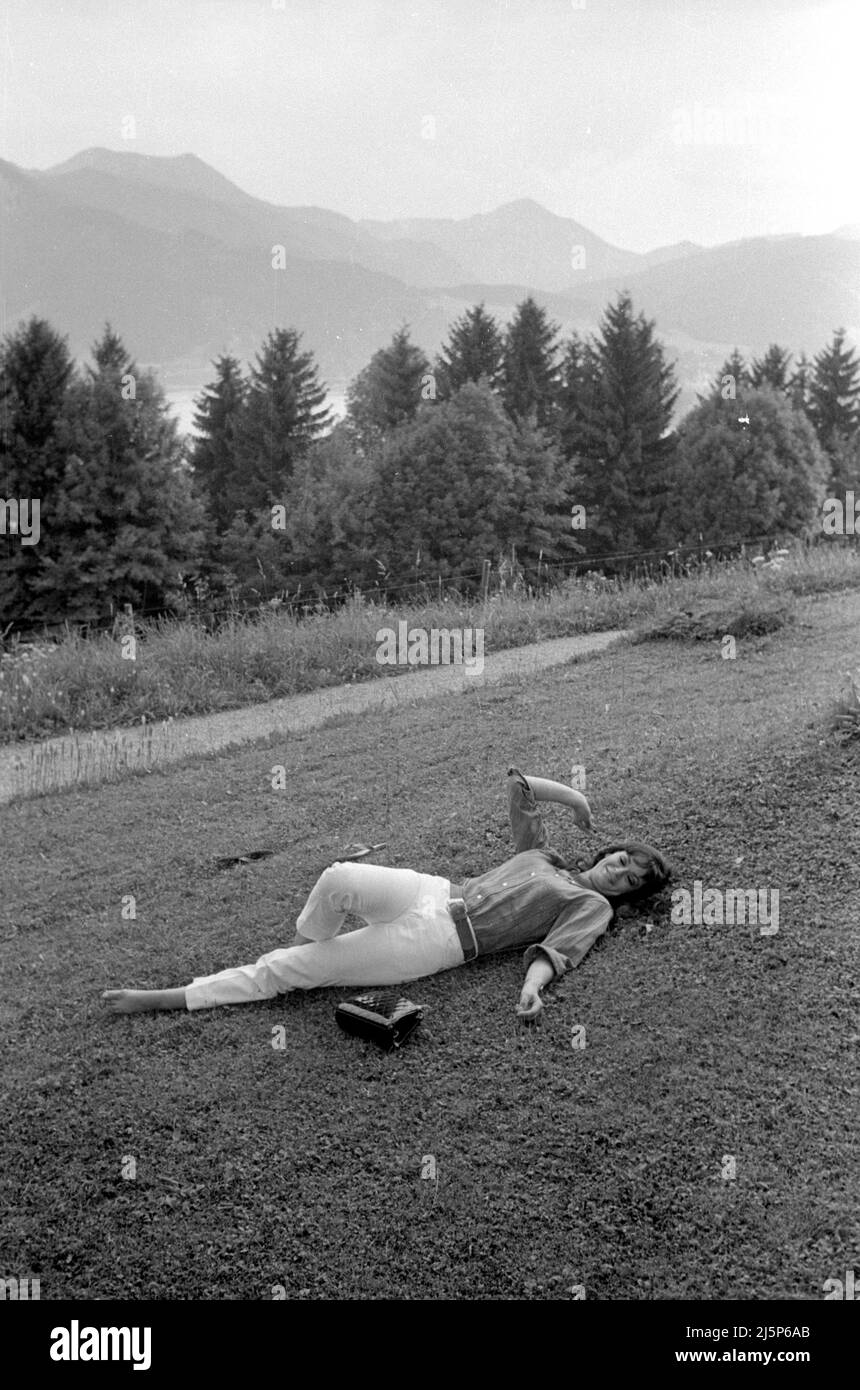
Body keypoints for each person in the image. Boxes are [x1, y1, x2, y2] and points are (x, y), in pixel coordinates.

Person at [102, 767, 671, 1023]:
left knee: (293, 970)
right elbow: (519, 788)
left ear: (623, 896)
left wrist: (530, 987)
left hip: (438, 941)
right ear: (609, 851)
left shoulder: (591, 907)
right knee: (339, 877)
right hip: (431, 891)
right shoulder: (548, 857)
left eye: (629, 881)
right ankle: (307, 944)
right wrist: (577, 803)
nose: (617, 874)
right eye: (621, 861)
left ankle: (171, 997)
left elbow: (562, 951)